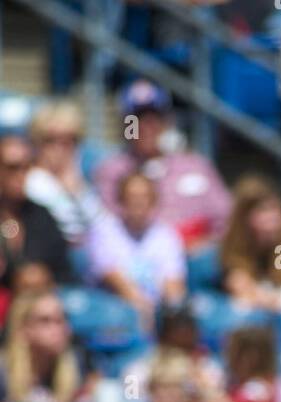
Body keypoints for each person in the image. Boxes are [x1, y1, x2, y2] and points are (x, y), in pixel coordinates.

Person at [94, 81, 232, 249]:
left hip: (197, 257)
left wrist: (201, 241)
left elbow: (226, 219)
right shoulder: (112, 171)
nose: (145, 126)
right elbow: (110, 226)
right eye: (136, 119)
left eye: (153, 118)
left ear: (166, 122)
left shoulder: (195, 165)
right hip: (139, 260)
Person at [85, 172, 187, 323]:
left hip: (157, 309)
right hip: (115, 306)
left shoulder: (166, 235)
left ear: (153, 201)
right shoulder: (104, 230)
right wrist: (142, 307)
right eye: (132, 196)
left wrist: (173, 314)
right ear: (121, 200)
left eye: (144, 196)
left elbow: (174, 283)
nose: (138, 202)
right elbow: (112, 277)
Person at [220, 176, 281, 314]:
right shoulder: (233, 248)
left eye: (275, 210)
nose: (272, 219)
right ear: (244, 217)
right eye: (263, 211)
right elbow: (239, 283)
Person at [0, 290, 90, 402]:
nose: (58, 329)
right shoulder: (3, 372)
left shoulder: (77, 368)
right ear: (21, 329)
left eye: (61, 320)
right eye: (45, 321)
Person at [26, 101, 102, 245]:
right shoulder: (30, 182)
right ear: (36, 141)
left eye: (69, 140)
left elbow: (103, 230)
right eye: (51, 140)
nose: (60, 148)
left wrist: (78, 192)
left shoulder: (81, 181)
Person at [0, 135, 70, 288]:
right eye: (13, 167)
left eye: (26, 167)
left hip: (35, 303)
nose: (21, 175)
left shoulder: (42, 217)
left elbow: (63, 272)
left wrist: (42, 277)